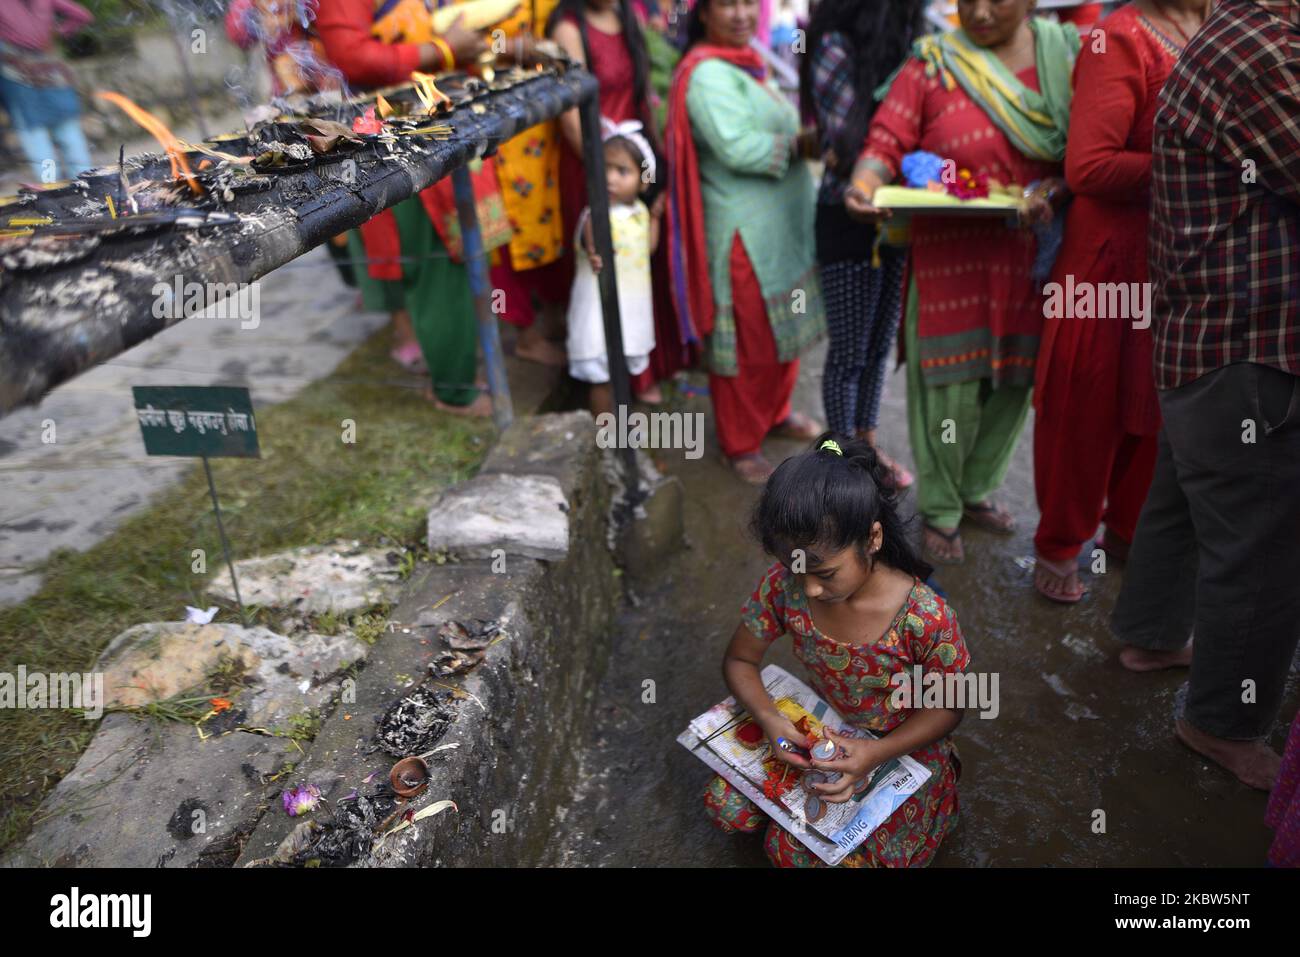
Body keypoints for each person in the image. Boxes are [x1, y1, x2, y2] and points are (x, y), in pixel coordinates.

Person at [1109, 0, 1300, 792]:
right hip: (1245, 342)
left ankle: (1150, 634)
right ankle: (1219, 720)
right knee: (1260, 547)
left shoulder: (1242, 33)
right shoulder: (1258, 45)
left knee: (1191, 495)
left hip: (1211, 336)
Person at [847, 0, 1077, 565]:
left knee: (1012, 385)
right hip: (949, 256)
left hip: (1029, 259)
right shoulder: (933, 63)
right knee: (948, 388)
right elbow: (885, 141)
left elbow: (1087, 151)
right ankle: (943, 509)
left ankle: (975, 489)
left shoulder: (1065, 56)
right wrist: (863, 184)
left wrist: (1049, 193)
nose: (977, 11)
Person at [703, 434, 968, 868]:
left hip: (901, 747)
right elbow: (740, 659)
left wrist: (874, 755)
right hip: (820, 734)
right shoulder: (784, 586)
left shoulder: (925, 618)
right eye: (796, 569)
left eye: (824, 572)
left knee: (790, 853)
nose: (808, 588)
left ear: (874, 537)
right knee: (725, 806)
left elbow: (950, 709)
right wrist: (770, 720)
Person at [1031, 0, 1210, 603]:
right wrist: (1199, 169)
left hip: (1183, 262)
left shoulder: (1220, 27)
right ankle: (1059, 544)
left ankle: (1128, 534)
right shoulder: (1118, 38)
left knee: (1162, 410)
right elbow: (1089, 166)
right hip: (1111, 262)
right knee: (1090, 408)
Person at [666, 0, 826, 484]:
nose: (738, 14)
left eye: (746, 3)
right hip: (743, 233)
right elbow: (736, 146)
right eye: (725, 5)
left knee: (783, 329)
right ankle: (739, 444)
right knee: (749, 341)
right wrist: (803, 145)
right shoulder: (706, 74)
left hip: (781, 229)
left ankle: (774, 413)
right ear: (703, 14)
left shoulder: (749, 61)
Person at [316, 0, 495, 415]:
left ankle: (459, 371)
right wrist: (443, 50)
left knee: (452, 252)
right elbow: (353, 58)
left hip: (429, 123)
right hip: (392, 136)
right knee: (436, 260)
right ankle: (454, 389)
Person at [801, 0, 925, 490]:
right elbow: (846, 140)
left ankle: (866, 449)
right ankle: (839, 461)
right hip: (846, 217)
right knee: (848, 352)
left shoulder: (903, 47)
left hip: (895, 217)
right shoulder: (833, 44)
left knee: (876, 348)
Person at [548, 0, 676, 403]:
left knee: (637, 261)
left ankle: (636, 372)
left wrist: (650, 168)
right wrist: (609, 176)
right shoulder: (568, 29)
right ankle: (601, 382)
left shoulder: (628, 18)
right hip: (596, 167)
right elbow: (570, 114)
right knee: (600, 270)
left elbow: (644, 96)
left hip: (634, 161)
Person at [567, 123, 659, 415]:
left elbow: (647, 248)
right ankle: (605, 439)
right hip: (599, 311)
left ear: (644, 180)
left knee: (619, 376)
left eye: (622, 171)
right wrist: (594, 250)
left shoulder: (640, 213)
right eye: (605, 168)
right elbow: (591, 232)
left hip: (629, 310)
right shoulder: (596, 212)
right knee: (602, 378)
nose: (610, 178)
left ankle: (619, 429)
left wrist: (655, 218)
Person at [0, 0, 93, 182]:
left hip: (18, 78)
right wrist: (58, 32)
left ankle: (51, 188)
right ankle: (88, 183)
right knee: (69, 132)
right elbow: (82, 15)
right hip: (52, 73)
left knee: (37, 139)